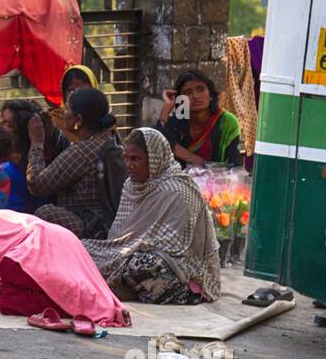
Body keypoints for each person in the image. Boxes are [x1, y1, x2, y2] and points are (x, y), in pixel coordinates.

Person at [83, 127, 221, 305]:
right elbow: (119, 236)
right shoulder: (131, 186)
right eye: (126, 158)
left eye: (136, 159)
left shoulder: (179, 191)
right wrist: (119, 253)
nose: (129, 165)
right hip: (134, 253)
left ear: (155, 159)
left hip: (181, 272)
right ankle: (129, 285)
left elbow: (176, 248)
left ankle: (178, 294)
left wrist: (132, 250)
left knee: (141, 265)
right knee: (83, 249)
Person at [26, 87, 124, 237]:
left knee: (44, 213)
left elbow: (37, 184)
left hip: (95, 230)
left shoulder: (84, 151)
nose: (63, 113)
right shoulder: (107, 137)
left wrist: (36, 143)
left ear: (78, 120)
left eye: (67, 109)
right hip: (106, 223)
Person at [155, 69, 243, 168]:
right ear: (180, 99)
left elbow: (234, 165)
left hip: (218, 180)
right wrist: (166, 108)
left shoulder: (226, 122)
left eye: (200, 89)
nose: (196, 96)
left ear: (210, 94)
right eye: (188, 92)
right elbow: (156, 143)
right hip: (179, 182)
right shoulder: (176, 123)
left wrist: (204, 166)